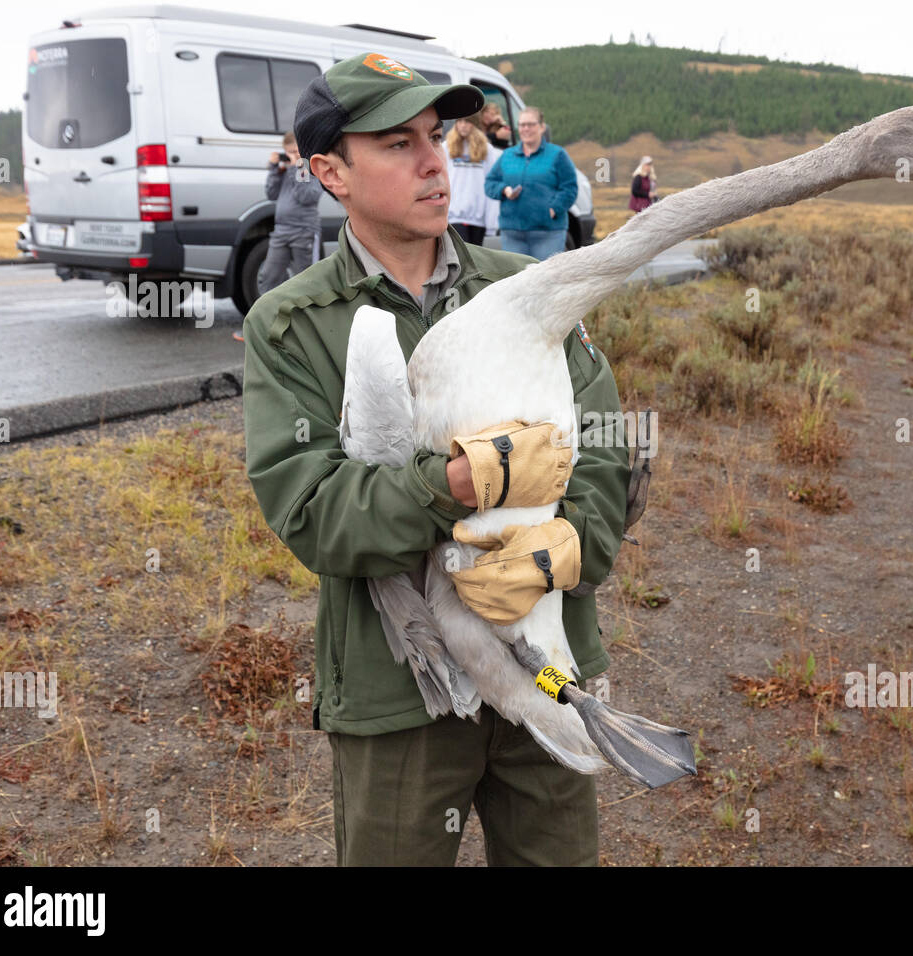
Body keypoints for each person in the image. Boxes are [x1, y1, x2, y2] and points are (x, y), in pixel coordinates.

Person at [240, 52, 630, 866]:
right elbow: (312, 512)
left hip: (546, 673)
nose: (434, 162)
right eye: (396, 143)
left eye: (437, 136)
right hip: (397, 700)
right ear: (329, 173)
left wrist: (574, 544)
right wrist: (456, 481)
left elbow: (605, 450)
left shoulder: (528, 291)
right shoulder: (291, 324)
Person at [484, 107, 578, 260]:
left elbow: (570, 188)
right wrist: (504, 190)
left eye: (530, 124)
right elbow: (490, 183)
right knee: (516, 281)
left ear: (542, 127)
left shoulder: (557, 155)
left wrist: (554, 209)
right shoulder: (508, 155)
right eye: (522, 125)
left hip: (548, 233)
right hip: (512, 234)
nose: (525, 129)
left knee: (545, 280)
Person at [258, 131, 324, 296]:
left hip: (304, 231)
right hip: (281, 231)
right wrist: (274, 169)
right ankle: (268, 315)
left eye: (296, 152)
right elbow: (271, 194)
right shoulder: (286, 170)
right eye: (289, 152)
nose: (292, 156)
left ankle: (310, 317)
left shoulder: (310, 169)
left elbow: (307, 197)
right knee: (268, 276)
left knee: (307, 278)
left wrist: (300, 167)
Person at [446, 111, 501, 246]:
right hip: (455, 216)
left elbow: (492, 181)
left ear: (474, 124)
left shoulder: (487, 150)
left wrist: (492, 222)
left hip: (478, 217)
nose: (463, 125)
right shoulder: (446, 147)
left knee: (475, 259)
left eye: (467, 121)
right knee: (462, 257)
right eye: (460, 121)